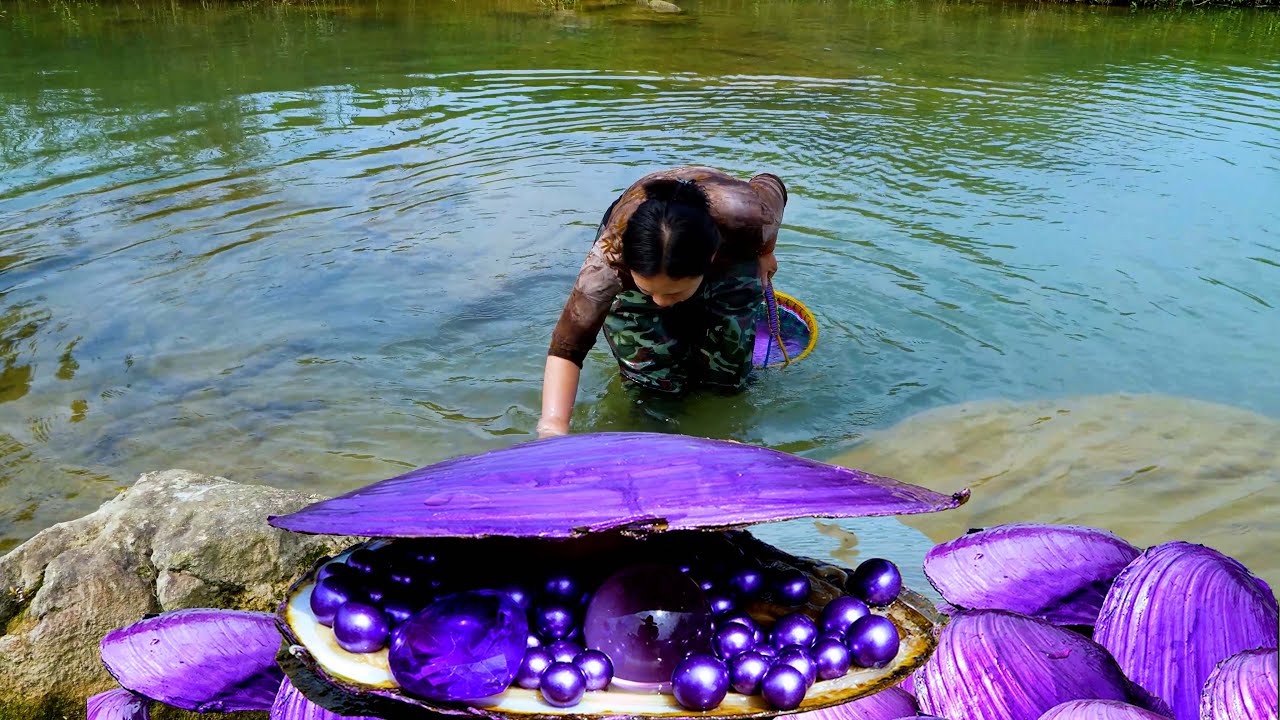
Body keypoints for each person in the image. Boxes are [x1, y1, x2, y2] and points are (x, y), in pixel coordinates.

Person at [536, 166, 788, 439]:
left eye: (673, 293)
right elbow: (568, 347)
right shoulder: (608, 261)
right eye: (649, 292)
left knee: (727, 380)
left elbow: (773, 183)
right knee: (653, 385)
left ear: (711, 259)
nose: (660, 302)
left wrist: (766, 250)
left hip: (725, 240)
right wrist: (553, 426)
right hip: (640, 236)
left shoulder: (749, 216)